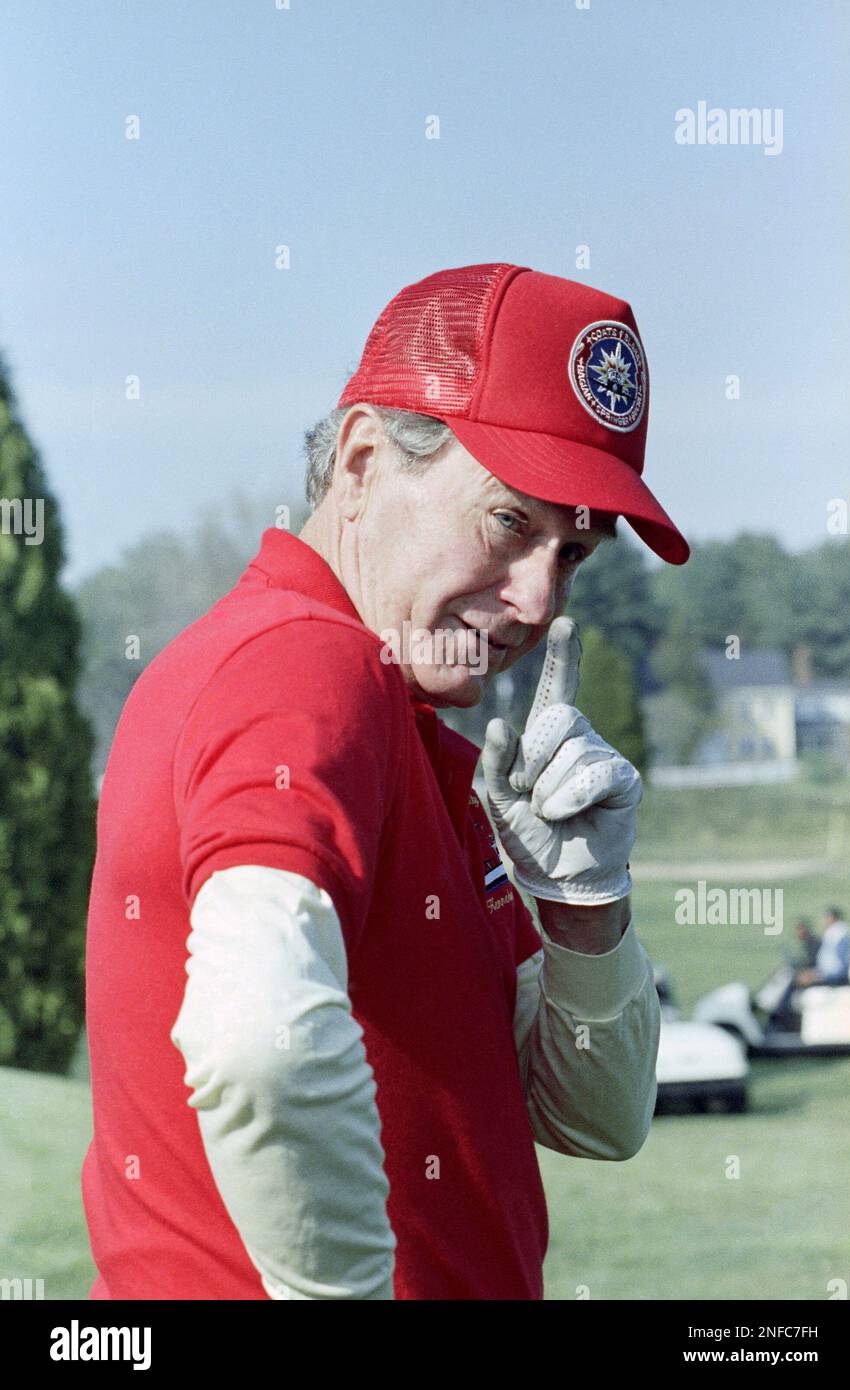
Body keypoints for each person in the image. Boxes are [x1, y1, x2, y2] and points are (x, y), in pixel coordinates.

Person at [82, 262, 691, 1300]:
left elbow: (593, 1118)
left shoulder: (411, 736)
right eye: (510, 523)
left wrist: (584, 911)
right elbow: (257, 1039)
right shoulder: (307, 661)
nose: (538, 599)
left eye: (572, 554)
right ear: (362, 461)